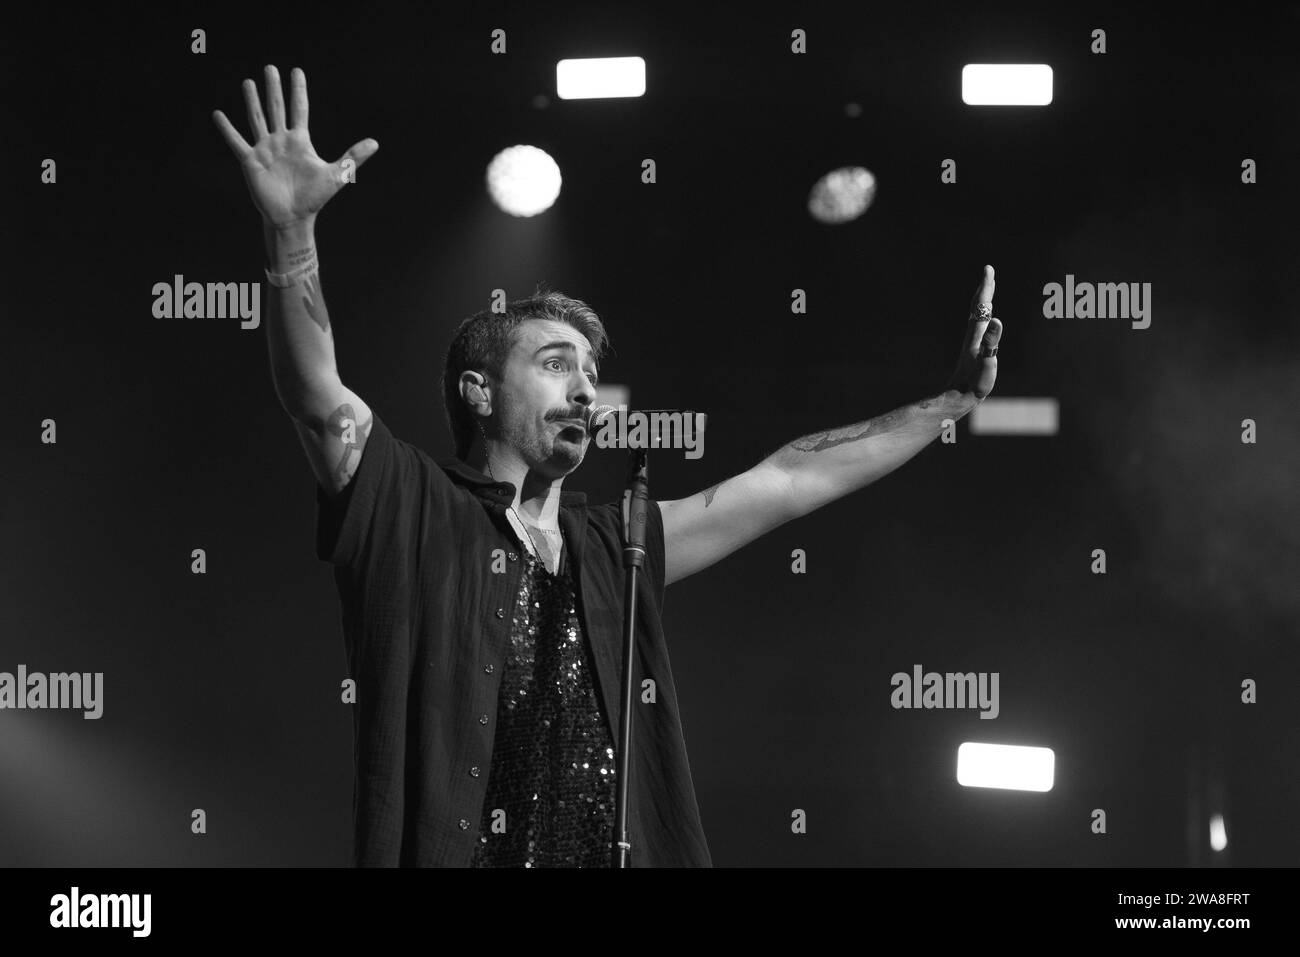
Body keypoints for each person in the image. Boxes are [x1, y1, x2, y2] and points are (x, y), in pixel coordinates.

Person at [213, 65, 1004, 868]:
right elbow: (316, 396)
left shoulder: (615, 547)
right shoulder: (409, 502)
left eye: (591, 374)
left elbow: (791, 478)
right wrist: (291, 233)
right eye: (557, 364)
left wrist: (948, 404)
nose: (585, 388)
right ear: (478, 392)